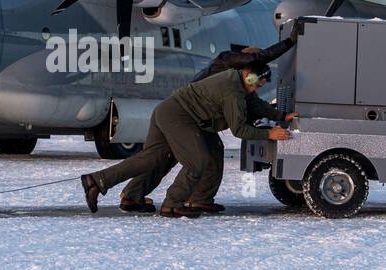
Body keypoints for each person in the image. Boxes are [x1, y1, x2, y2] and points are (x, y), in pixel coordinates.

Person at [81, 60, 294, 217]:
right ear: (246, 73)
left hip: (175, 113)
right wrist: (269, 133)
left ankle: (123, 192)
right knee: (196, 161)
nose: (255, 87)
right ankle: (172, 204)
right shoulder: (233, 91)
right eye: (254, 81)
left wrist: (282, 116)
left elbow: (255, 104)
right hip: (180, 116)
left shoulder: (241, 86)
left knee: (161, 157)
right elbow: (239, 130)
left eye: (259, 85)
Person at [115, 32, 299, 212]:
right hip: (191, 118)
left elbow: (253, 103)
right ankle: (172, 200)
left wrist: (280, 115)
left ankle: (186, 198)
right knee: (178, 158)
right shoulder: (228, 65)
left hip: (197, 117)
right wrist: (290, 41)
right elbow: (261, 60)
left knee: (195, 154)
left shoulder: (237, 77)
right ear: (246, 62)